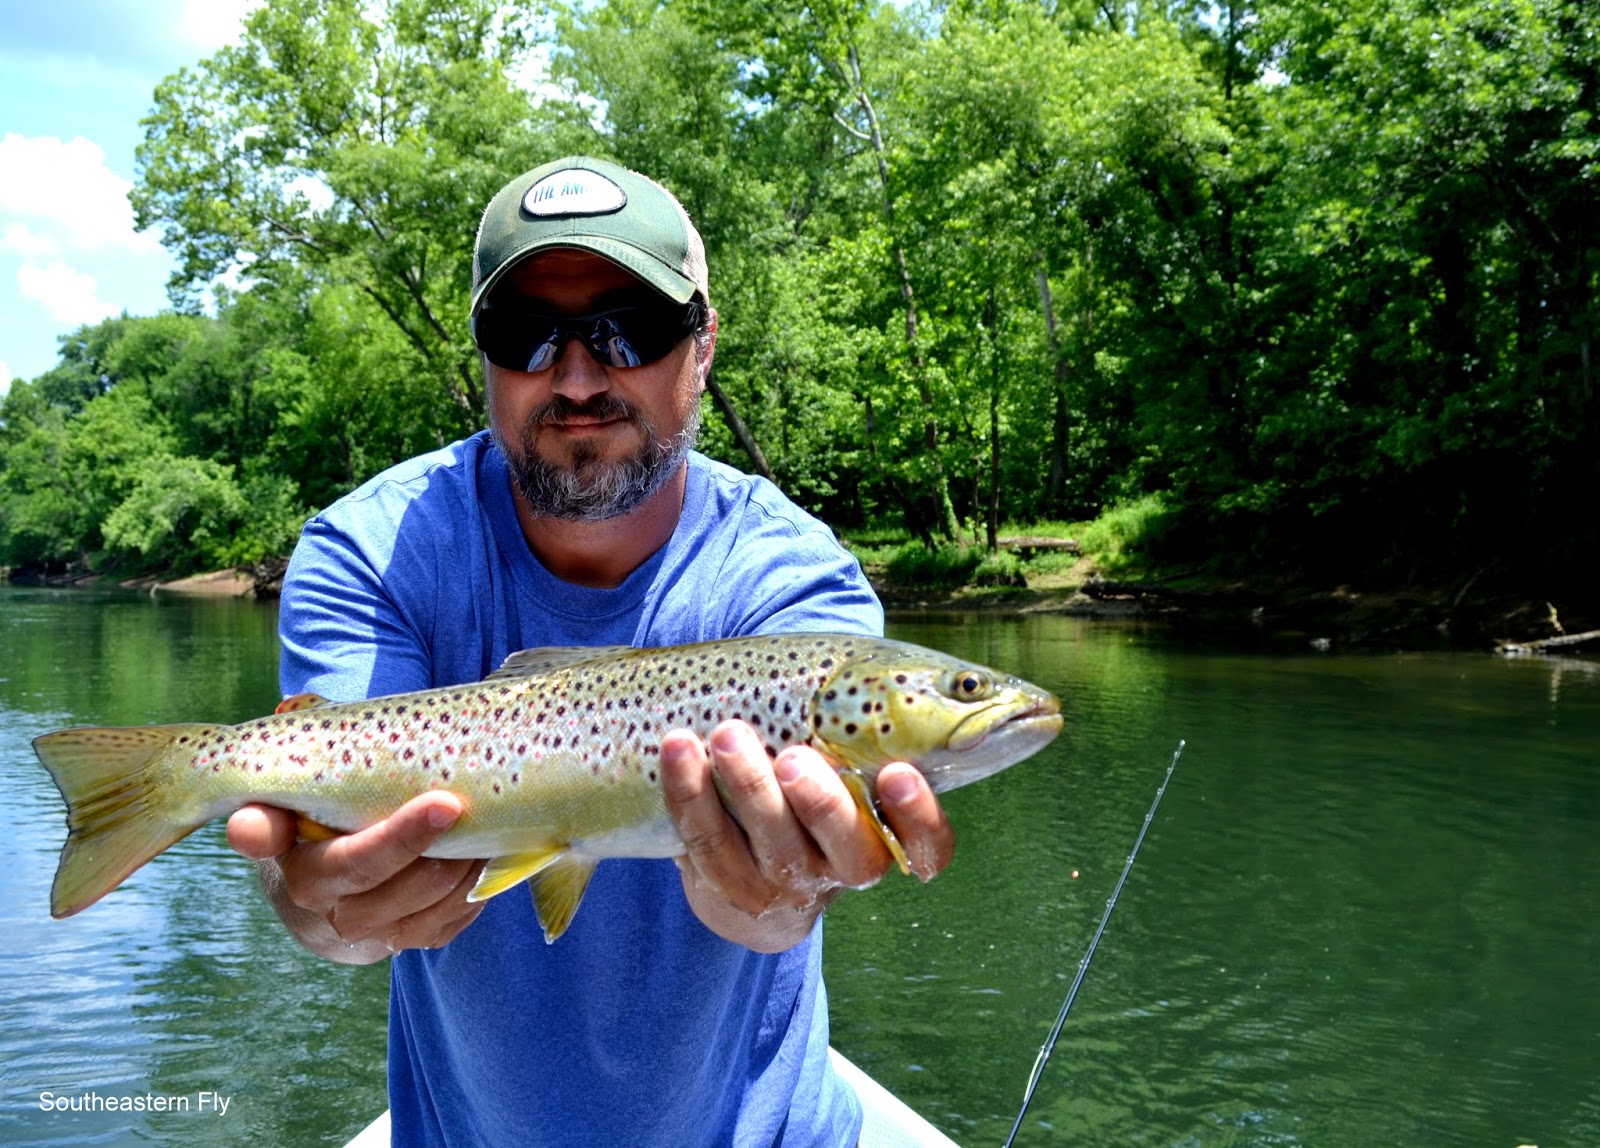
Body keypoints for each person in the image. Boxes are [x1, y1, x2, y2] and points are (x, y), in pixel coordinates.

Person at [224, 155, 956, 1147]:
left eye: (631, 327)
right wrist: (315, 899)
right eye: (527, 332)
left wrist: (788, 895)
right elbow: (326, 826)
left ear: (701, 346)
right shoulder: (372, 549)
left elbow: (792, 898)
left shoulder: (792, 583)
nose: (577, 375)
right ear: (483, 354)